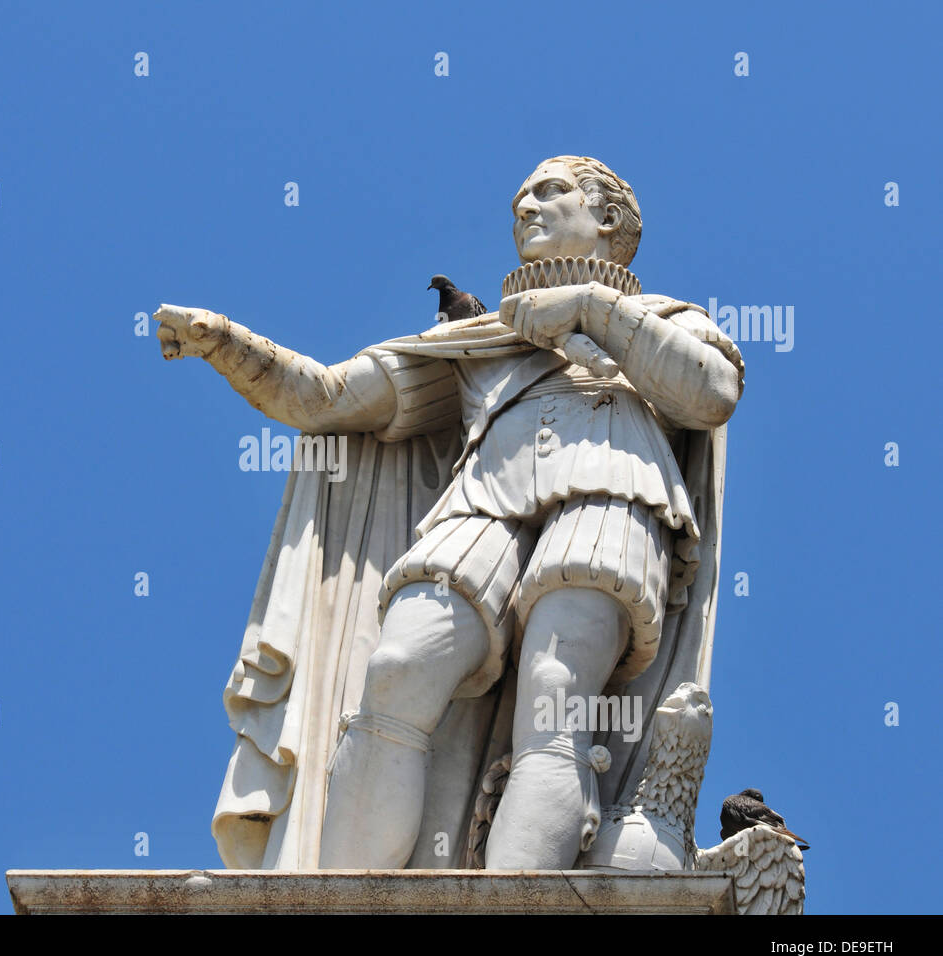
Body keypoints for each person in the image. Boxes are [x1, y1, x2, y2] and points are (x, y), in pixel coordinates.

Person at [156, 156, 743, 870]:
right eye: (519, 197)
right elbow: (325, 398)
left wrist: (592, 309)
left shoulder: (665, 320)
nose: (525, 205)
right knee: (398, 668)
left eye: (550, 190)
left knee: (556, 697)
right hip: (480, 503)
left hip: (612, 487)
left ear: (608, 219)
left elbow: (710, 392)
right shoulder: (481, 345)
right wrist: (227, 341)